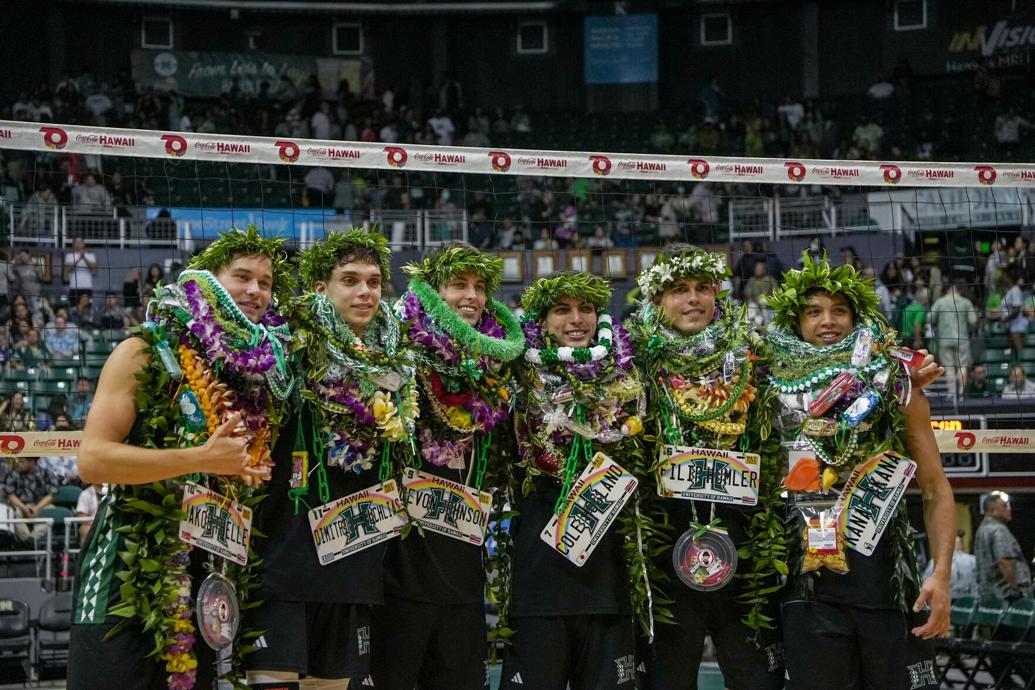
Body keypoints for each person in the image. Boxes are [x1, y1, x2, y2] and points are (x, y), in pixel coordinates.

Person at [68, 226, 296, 690]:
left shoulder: (253, 383)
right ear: (206, 281)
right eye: (242, 276)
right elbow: (92, 461)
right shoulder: (144, 351)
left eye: (266, 282)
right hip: (126, 573)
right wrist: (201, 458)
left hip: (204, 574)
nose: (256, 290)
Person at [762, 253, 955, 690]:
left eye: (839, 310)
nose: (828, 321)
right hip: (807, 590)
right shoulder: (769, 391)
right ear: (796, 322)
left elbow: (935, 488)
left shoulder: (897, 386)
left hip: (886, 582)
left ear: (855, 318)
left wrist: (941, 575)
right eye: (814, 312)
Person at [246, 229, 419, 690]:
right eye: (350, 280)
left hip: (351, 561)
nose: (365, 292)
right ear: (321, 288)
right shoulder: (287, 345)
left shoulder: (397, 364)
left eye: (374, 282)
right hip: (284, 559)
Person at [628, 245, 785, 690]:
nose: (694, 298)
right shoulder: (632, 363)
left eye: (703, 287)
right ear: (656, 298)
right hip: (663, 556)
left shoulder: (751, 357)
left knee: (758, 681)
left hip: (745, 552)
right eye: (679, 289)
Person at [371, 243, 523, 690]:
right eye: (459, 284)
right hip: (397, 578)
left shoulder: (496, 370)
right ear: (431, 291)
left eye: (479, 287)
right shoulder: (396, 350)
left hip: (462, 576)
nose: (471, 296)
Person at [499, 272, 646, 690]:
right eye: (562, 310)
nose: (576, 319)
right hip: (539, 583)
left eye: (586, 309)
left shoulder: (628, 377)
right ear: (542, 322)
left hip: (609, 585)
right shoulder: (516, 375)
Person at [974, 492, 1034, 684]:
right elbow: (1005, 561)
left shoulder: (982, 530)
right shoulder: (999, 531)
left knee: (1000, 644)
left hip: (992, 600)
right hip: (1008, 598)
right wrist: (1015, 589)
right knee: (1024, 644)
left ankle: (1003, 681)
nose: (1009, 509)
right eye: (1005, 506)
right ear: (992, 509)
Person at [929, 282, 978, 397]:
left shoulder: (940, 302)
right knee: (962, 366)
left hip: (945, 339)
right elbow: (973, 321)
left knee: (949, 367)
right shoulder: (966, 302)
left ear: (947, 290)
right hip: (962, 338)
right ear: (958, 290)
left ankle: (951, 394)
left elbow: (929, 318)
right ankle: (961, 393)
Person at [0, 457, 56, 542]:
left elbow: (51, 495)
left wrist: (36, 508)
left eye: (22, 462)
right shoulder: (13, 474)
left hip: (39, 506)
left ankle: (33, 538)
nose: (19, 464)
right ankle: (26, 540)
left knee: (51, 510)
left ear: (31, 462)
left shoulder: (46, 473)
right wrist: (24, 508)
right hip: (20, 506)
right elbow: (11, 495)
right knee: (14, 512)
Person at [923, 531, 977, 601]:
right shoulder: (973, 560)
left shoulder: (935, 562)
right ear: (962, 545)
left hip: (945, 601)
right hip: (970, 601)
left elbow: (926, 585)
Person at [63, 235, 97, 302]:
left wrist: (84, 257)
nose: (78, 244)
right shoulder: (69, 256)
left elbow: (92, 267)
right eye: (76, 242)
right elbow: (68, 269)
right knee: (73, 306)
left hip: (87, 286)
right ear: (73, 244)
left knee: (87, 306)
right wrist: (79, 259)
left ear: (83, 244)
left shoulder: (91, 255)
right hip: (73, 286)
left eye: (80, 242)